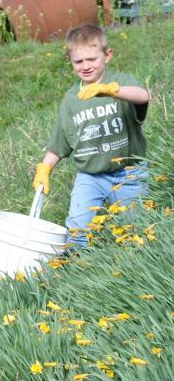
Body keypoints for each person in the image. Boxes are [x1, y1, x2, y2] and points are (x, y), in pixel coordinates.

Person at [31, 23, 150, 249]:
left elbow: (143, 96)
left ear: (107, 55)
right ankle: (77, 269)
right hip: (90, 177)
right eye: (79, 61)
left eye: (92, 59)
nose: (85, 66)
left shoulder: (121, 82)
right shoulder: (71, 100)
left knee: (136, 229)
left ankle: (134, 268)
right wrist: (44, 168)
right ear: (70, 62)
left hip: (129, 172)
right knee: (77, 229)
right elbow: (60, 142)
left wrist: (110, 90)